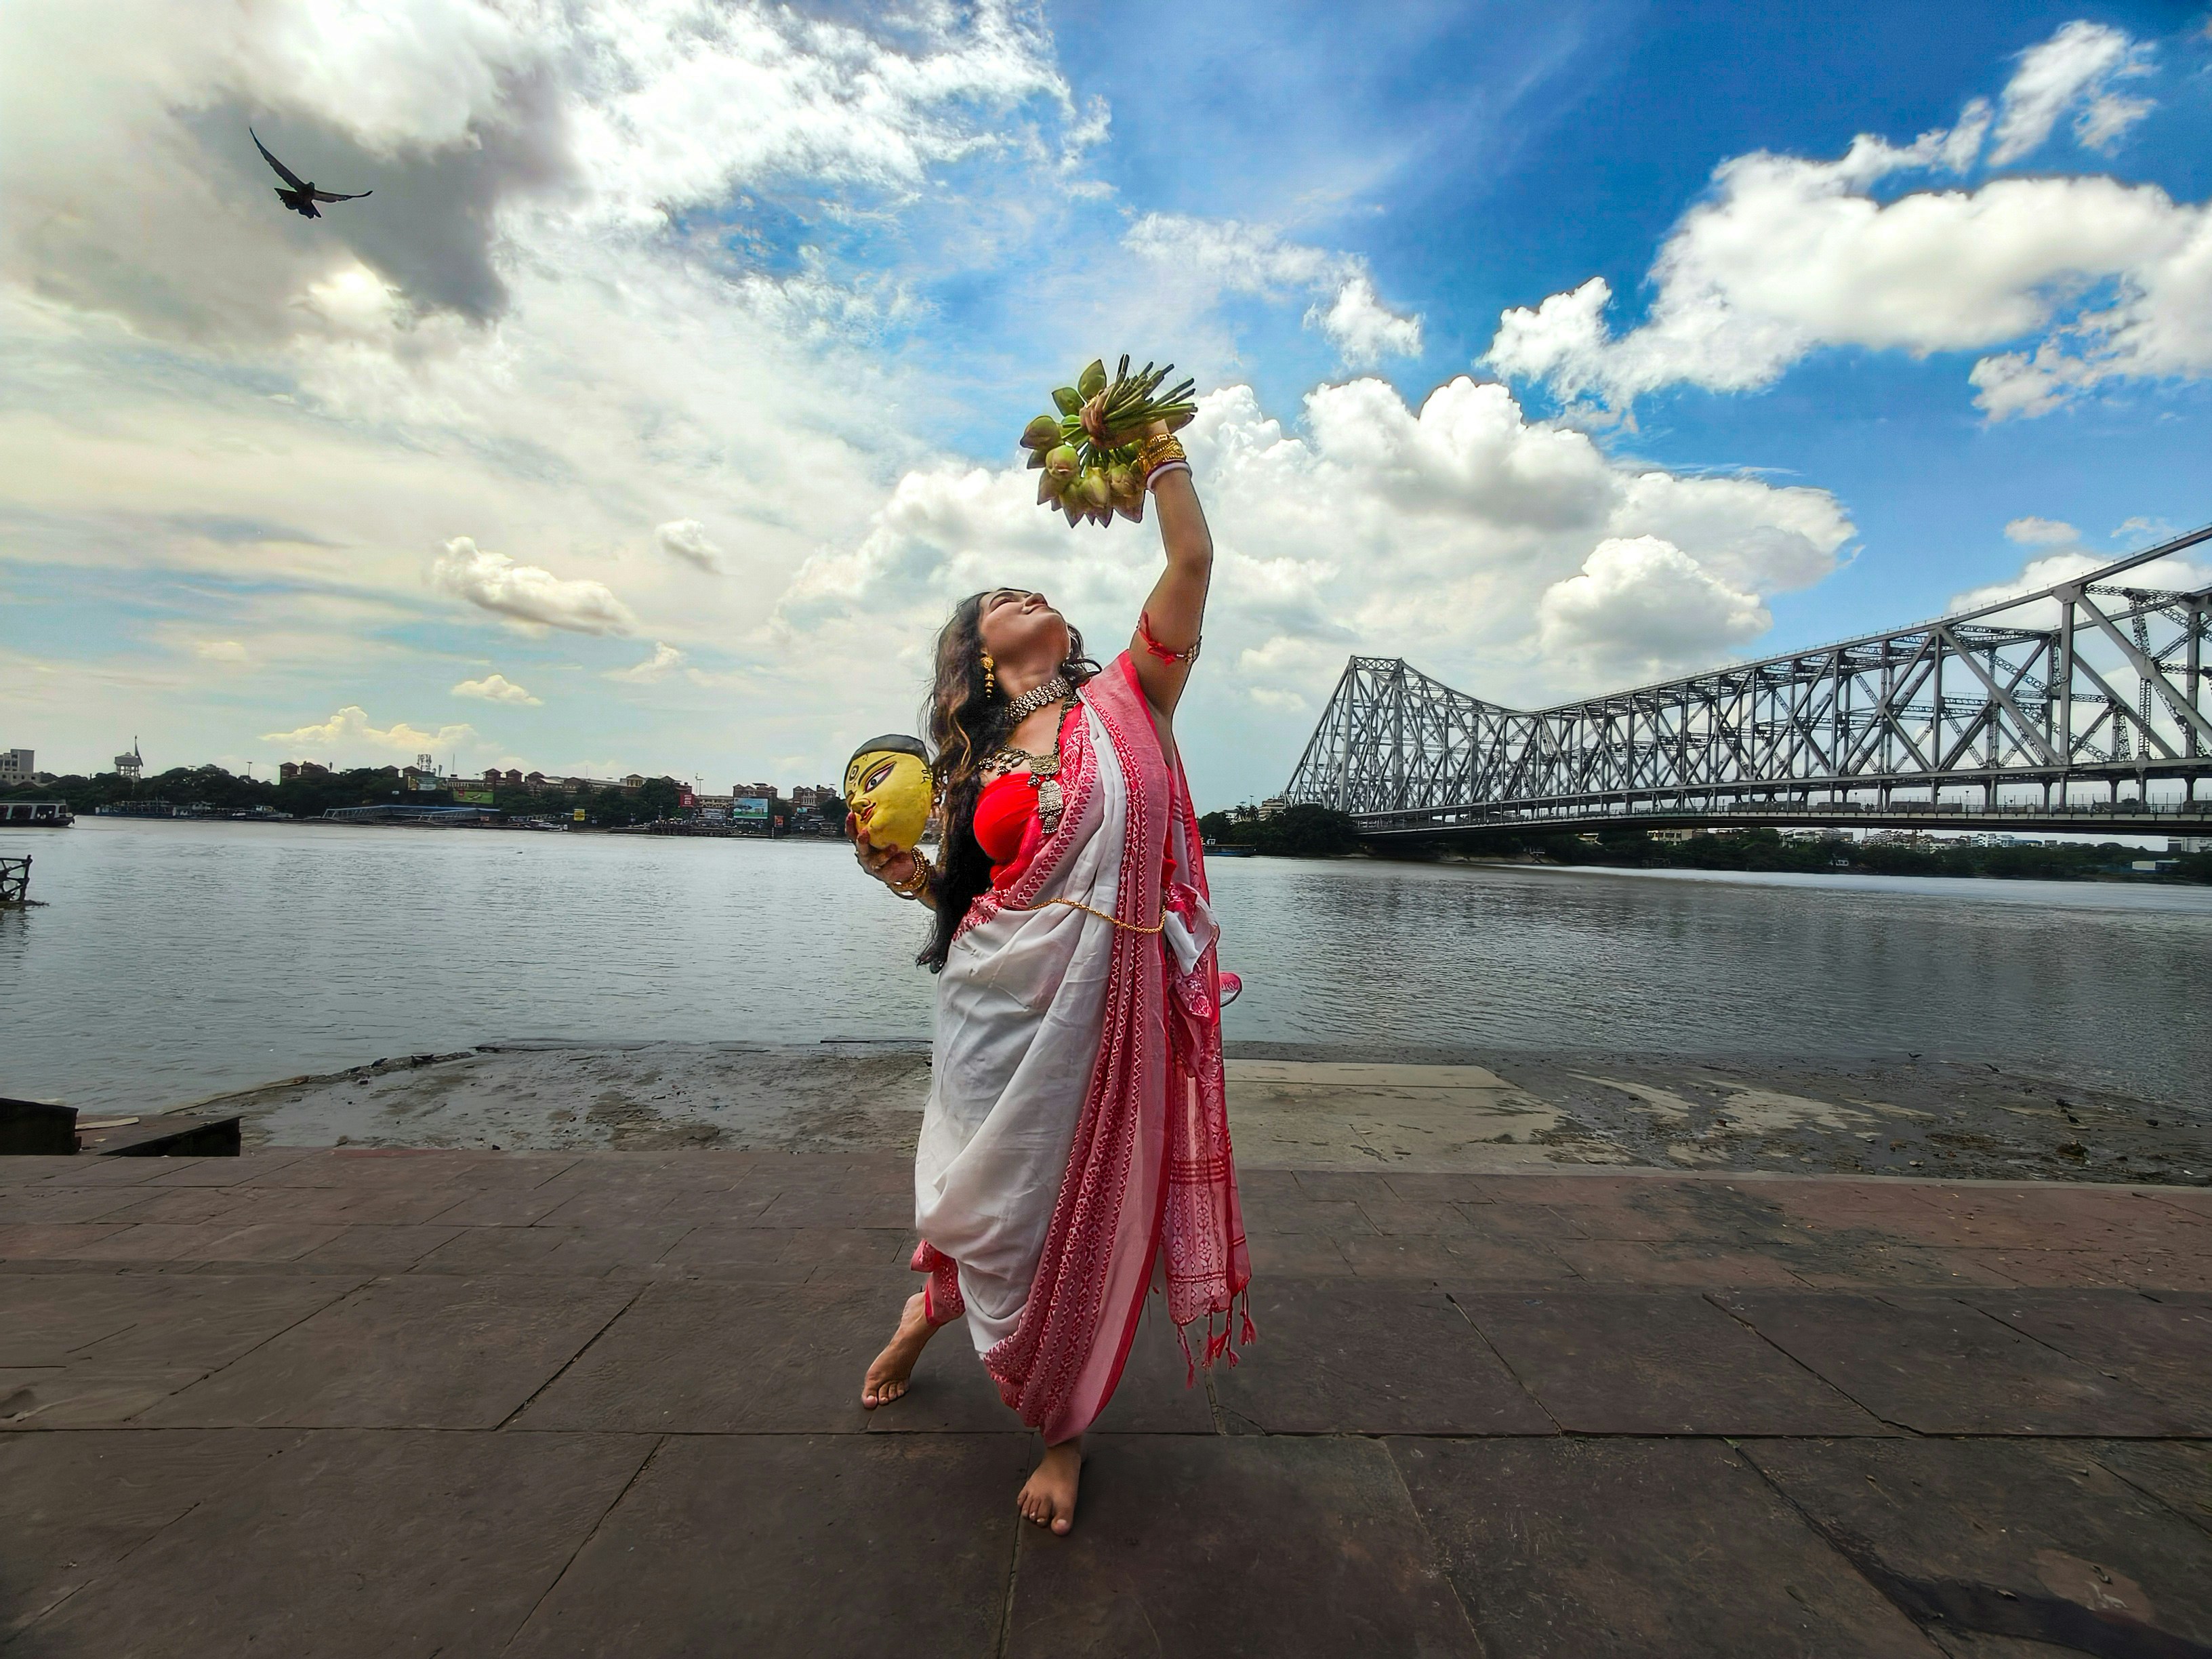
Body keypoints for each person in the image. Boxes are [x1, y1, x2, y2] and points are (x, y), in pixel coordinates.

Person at [848, 422, 1252, 1536]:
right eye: (1004, 596)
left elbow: (1191, 566)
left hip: (1104, 1003)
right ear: (979, 654)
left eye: (1036, 585)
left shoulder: (1133, 696)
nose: (1030, 592)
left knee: (1075, 1210)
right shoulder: (970, 762)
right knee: (978, 1194)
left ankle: (1063, 1429)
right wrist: (905, 876)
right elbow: (973, 885)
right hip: (992, 999)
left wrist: (1162, 461)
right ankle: (931, 1308)